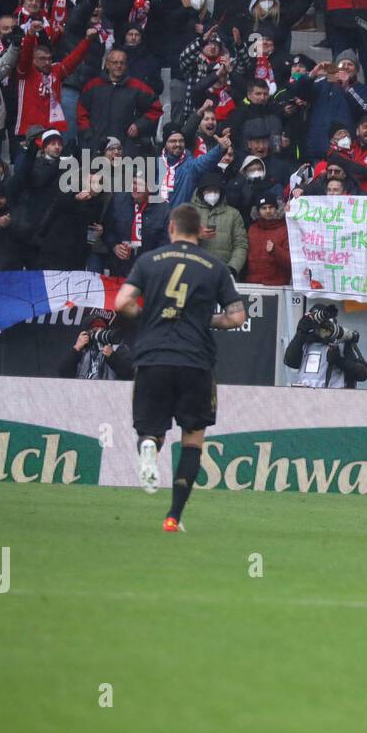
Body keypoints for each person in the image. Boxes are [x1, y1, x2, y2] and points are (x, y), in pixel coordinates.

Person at [113, 203, 248, 532]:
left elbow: (122, 302)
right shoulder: (214, 267)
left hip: (153, 356)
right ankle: (173, 516)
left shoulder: (149, 260)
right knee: (192, 438)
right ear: (200, 231)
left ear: (172, 228)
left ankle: (149, 445)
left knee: (152, 429)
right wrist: (206, 320)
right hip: (195, 360)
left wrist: (149, 319)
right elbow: (237, 316)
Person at [282, 302, 367, 389]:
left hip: (333, 399)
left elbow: (363, 374)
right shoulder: (305, 342)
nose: (319, 329)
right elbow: (290, 361)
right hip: (305, 398)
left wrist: (339, 361)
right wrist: (300, 333)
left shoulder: (341, 342)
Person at [57, 312, 135, 380]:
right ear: (86, 333)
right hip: (81, 393)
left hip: (108, 394)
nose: (99, 332)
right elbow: (63, 374)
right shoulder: (81, 350)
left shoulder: (116, 348)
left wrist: (113, 357)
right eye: (95, 330)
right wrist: (76, 349)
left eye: (102, 329)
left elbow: (131, 374)